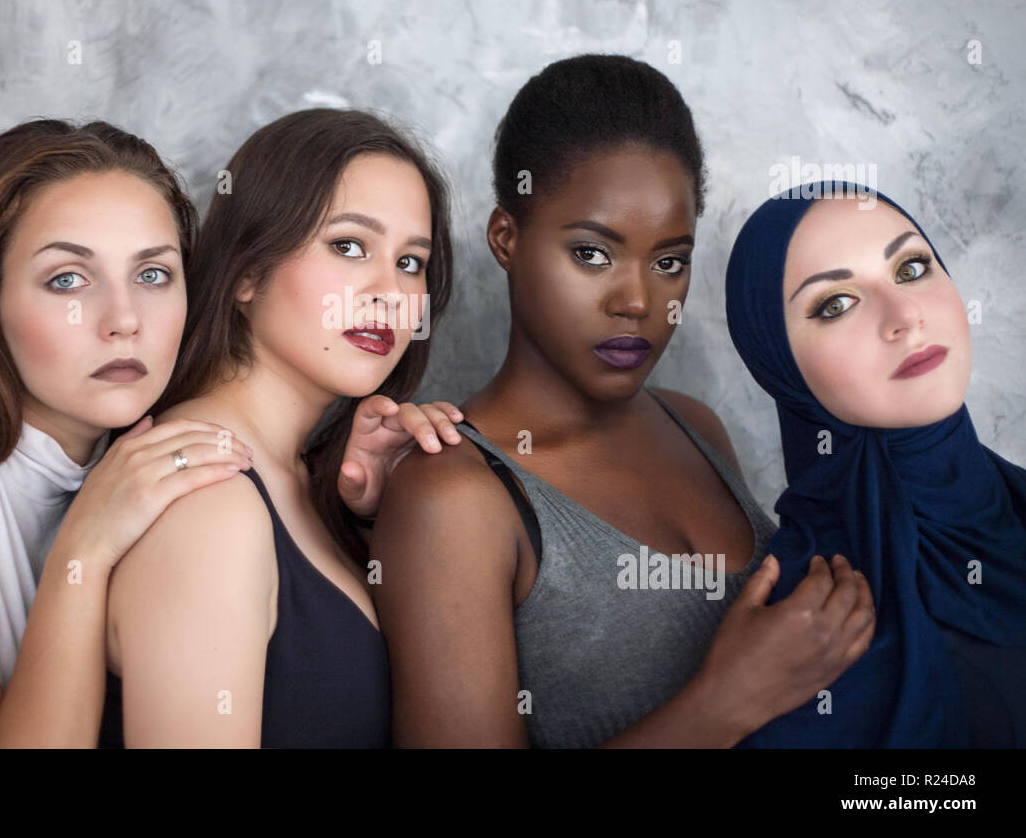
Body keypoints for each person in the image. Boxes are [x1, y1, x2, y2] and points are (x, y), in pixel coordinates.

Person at [0, 118, 452, 748]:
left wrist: (356, 509)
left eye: (154, 275)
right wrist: (83, 552)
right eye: (67, 280)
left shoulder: (147, 468)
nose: (123, 318)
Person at [369, 54, 876, 747]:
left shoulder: (694, 424)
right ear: (506, 239)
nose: (638, 300)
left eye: (669, 261)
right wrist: (724, 703)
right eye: (592, 254)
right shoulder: (451, 494)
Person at [101, 108, 456, 747]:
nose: (388, 291)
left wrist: (383, 523)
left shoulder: (307, 479)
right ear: (246, 271)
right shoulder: (207, 503)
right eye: (348, 246)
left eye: (411, 263)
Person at [725, 181, 1026, 747]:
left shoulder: (1013, 502)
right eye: (836, 304)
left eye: (911, 268)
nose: (905, 315)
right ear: (780, 363)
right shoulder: (810, 625)